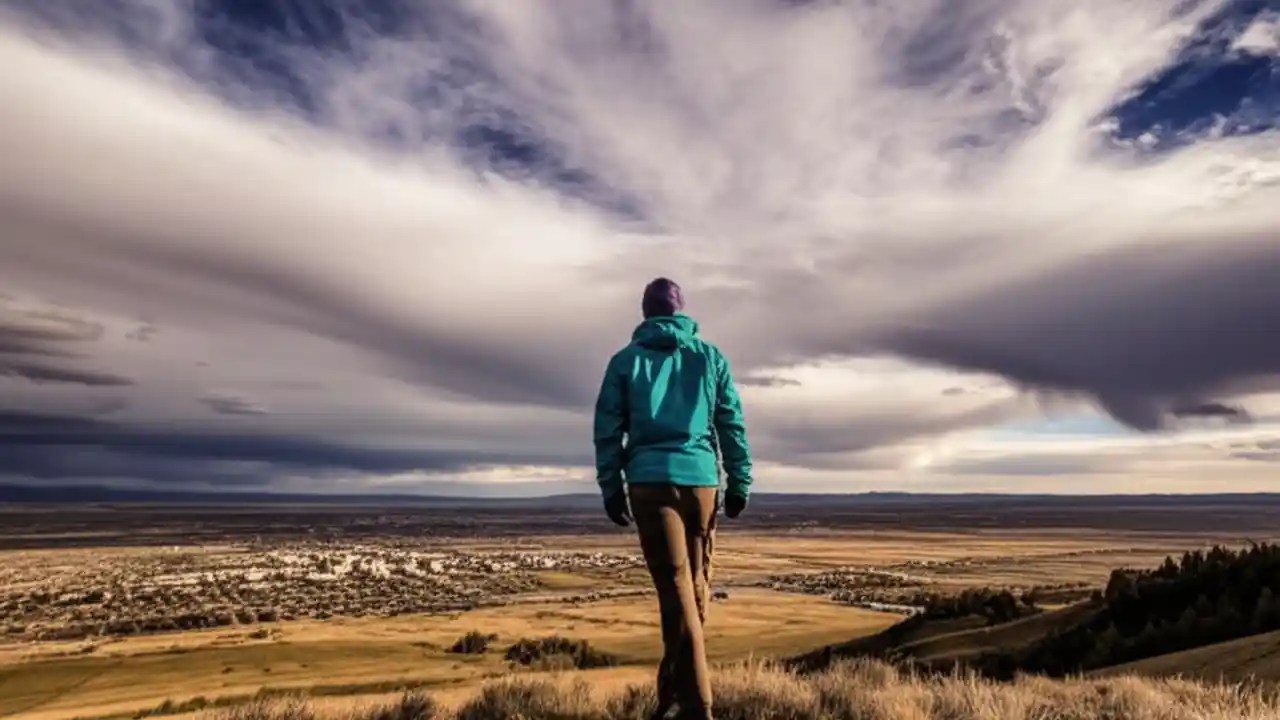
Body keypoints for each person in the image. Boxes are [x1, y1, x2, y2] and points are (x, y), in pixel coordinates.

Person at [593, 277, 752, 720]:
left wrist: (610, 487)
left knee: (678, 590)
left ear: (646, 314)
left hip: (649, 484)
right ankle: (671, 700)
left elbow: (608, 429)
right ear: (681, 312)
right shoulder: (710, 357)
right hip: (701, 483)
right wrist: (738, 480)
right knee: (691, 591)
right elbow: (730, 422)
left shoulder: (624, 363)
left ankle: (697, 705)